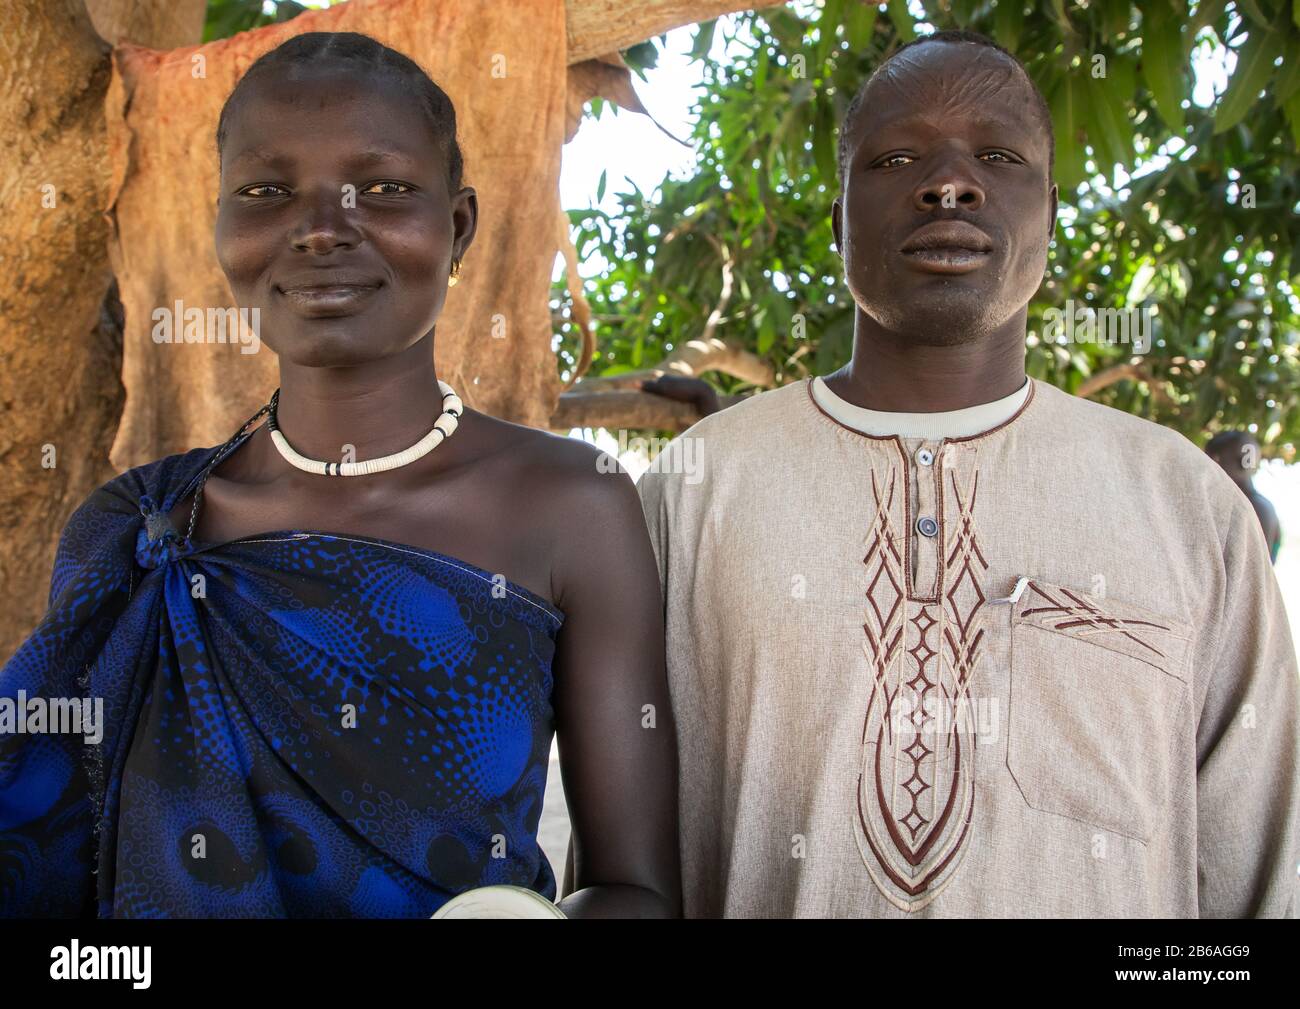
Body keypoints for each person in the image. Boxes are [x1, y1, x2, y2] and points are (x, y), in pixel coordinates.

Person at [0, 32, 679, 919]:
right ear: (220, 227)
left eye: (386, 189)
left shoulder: (573, 504)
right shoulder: (136, 530)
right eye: (267, 192)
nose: (321, 227)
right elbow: (53, 870)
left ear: (459, 225)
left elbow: (637, 891)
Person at [638, 30, 1299, 917]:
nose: (948, 183)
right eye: (898, 157)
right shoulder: (694, 490)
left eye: (996, 155)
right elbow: (623, 873)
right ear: (838, 219)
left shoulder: (1186, 505)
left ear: (1050, 216)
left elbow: (1263, 876)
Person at [1206, 430, 1282, 564]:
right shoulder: (1254, 504)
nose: (1209, 467)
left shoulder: (1256, 507)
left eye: (1215, 459)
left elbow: (1253, 570)